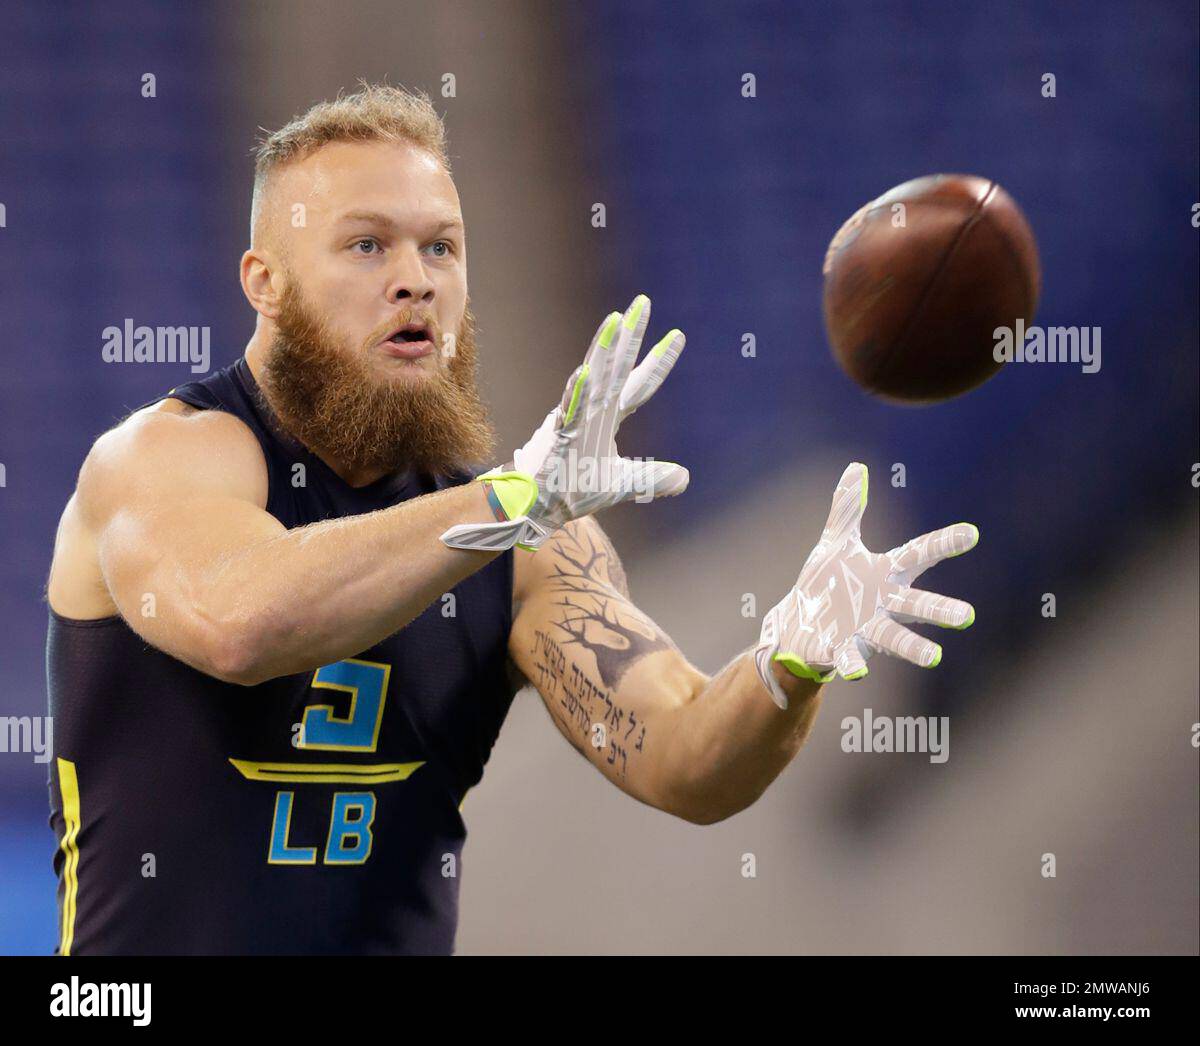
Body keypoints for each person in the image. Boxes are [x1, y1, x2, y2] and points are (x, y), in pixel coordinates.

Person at [45, 84, 977, 955]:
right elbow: (239, 622)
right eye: (367, 245)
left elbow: (687, 761)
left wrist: (787, 666)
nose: (415, 279)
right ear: (266, 282)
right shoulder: (166, 458)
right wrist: (508, 504)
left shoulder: (530, 537)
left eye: (440, 247)